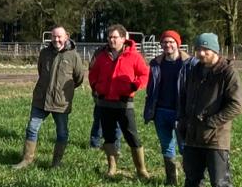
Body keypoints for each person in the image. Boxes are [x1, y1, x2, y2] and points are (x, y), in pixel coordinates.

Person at [177, 32, 242, 187]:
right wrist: (182, 120)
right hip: (192, 135)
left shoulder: (228, 73)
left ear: (214, 50)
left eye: (205, 49)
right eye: (198, 49)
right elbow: (185, 97)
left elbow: (237, 105)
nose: (200, 53)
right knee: (192, 178)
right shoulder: (194, 70)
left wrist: (213, 122)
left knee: (220, 182)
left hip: (216, 138)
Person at [14, 26, 83, 169]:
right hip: (41, 99)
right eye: (54, 37)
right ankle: (27, 159)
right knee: (32, 128)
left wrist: (64, 91)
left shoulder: (73, 56)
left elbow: (79, 78)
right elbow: (41, 71)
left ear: (66, 37)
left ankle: (56, 162)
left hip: (61, 102)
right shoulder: (44, 53)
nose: (56, 39)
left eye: (59, 36)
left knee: (62, 133)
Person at [87, 24, 150, 178]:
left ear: (123, 38)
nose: (112, 40)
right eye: (109, 37)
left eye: (115, 37)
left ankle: (141, 170)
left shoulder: (134, 56)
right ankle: (112, 168)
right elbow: (93, 73)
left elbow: (144, 74)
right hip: (104, 102)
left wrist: (135, 85)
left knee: (132, 136)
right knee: (108, 136)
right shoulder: (102, 56)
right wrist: (95, 86)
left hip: (124, 103)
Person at [141, 30, 187, 185]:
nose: (168, 45)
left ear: (177, 44)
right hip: (160, 112)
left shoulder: (188, 64)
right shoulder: (156, 63)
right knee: (166, 147)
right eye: (165, 42)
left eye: (171, 42)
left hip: (181, 113)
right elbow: (151, 88)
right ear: (161, 44)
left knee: (185, 147)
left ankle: (192, 181)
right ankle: (171, 180)